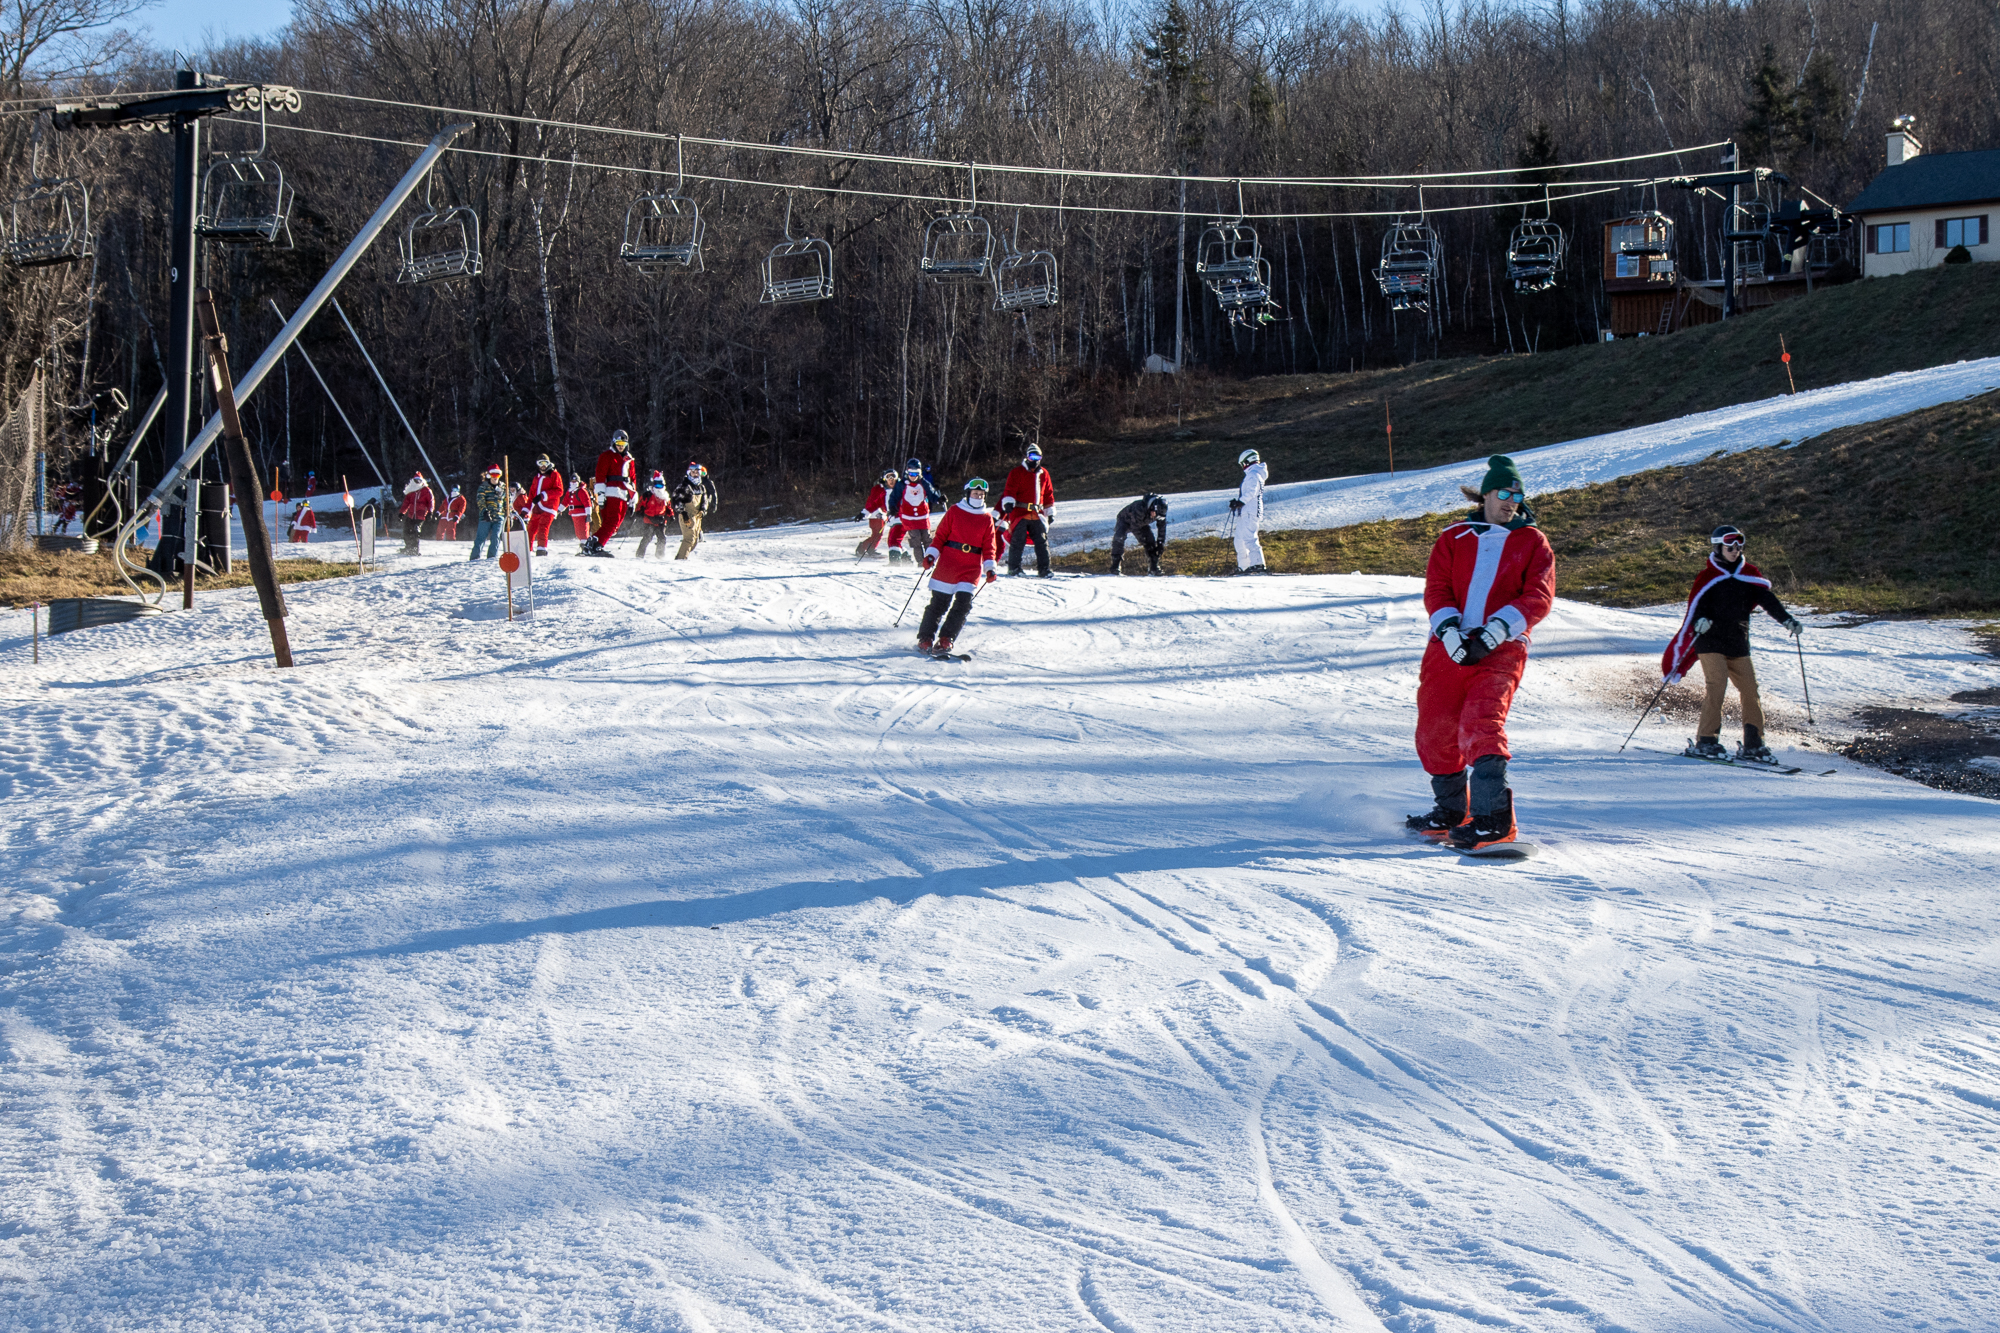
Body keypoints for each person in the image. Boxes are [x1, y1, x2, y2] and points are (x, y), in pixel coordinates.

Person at [1405, 455, 1555, 851]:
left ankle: (1494, 821)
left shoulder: (1533, 542)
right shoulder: (1453, 538)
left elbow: (1539, 597)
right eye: (1505, 493)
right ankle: (1452, 813)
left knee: (1481, 724)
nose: (1512, 502)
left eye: (1518, 496)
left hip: (1501, 651)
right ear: (1486, 494)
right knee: (1435, 730)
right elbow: (1437, 589)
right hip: (1447, 650)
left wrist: (1495, 632)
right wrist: (1450, 631)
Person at [1662, 525, 1804, 763]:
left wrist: (1787, 620)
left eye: (1739, 546)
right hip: (1710, 643)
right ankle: (1706, 741)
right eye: (1730, 547)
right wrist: (1700, 622)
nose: (1735, 551)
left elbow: (1768, 600)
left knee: (1751, 691)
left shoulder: (1748, 574)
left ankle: (1754, 744)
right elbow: (1697, 607)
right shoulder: (1708, 577)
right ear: (1718, 548)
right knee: (1717, 686)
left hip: (1738, 643)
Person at [916, 477, 1000, 658]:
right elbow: (940, 536)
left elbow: (989, 547)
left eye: (981, 494)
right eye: (975, 493)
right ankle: (925, 638)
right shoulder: (955, 511)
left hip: (970, 568)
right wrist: (931, 555)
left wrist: (990, 568)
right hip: (949, 563)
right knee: (939, 603)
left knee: (963, 604)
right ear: (968, 494)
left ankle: (946, 638)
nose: (978, 497)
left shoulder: (986, 518)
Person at [1001, 444, 1057, 577]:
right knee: (1018, 541)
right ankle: (1014, 568)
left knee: (1042, 542)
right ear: (1027, 457)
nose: (1035, 459)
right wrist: (1009, 502)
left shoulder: (1044, 474)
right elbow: (1010, 490)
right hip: (1021, 513)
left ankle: (1044, 569)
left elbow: (1048, 494)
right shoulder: (1016, 472)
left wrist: (1050, 512)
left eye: (1038, 456)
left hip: (1037, 514)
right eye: (1032, 456)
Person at [584, 429, 639, 555]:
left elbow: (633, 479)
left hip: (624, 495)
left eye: (623, 444)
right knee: (612, 522)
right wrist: (601, 496)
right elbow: (600, 476)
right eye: (618, 443)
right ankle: (596, 544)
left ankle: (594, 542)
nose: (620, 446)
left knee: (614, 526)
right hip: (611, 493)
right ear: (614, 443)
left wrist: (632, 500)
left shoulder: (629, 459)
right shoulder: (607, 456)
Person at [886, 458, 944, 565]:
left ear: (920, 473)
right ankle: (921, 562)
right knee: (916, 539)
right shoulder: (902, 484)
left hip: (922, 516)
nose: (913, 476)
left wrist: (938, 499)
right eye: (910, 473)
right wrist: (893, 507)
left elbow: (931, 494)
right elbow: (894, 497)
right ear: (907, 472)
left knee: (927, 538)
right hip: (909, 517)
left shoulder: (924, 483)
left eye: (916, 473)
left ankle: (930, 561)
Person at [1229, 449, 1268, 574]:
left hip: (1250, 511)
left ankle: (1258, 564)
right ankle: (1244, 567)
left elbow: (1251, 491)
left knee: (1249, 538)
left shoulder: (1254, 475)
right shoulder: (1254, 474)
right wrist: (1238, 503)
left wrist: (1240, 502)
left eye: (1243, 464)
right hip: (1245, 511)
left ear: (1247, 461)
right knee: (1239, 540)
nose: (1243, 467)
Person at [670, 461, 719, 559]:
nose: (695, 474)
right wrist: (683, 512)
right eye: (693, 472)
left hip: (697, 516)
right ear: (689, 473)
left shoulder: (701, 487)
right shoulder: (684, 486)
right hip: (687, 515)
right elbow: (676, 499)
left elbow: (704, 500)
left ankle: (681, 556)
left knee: (695, 540)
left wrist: (704, 509)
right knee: (689, 538)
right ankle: (681, 559)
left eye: (697, 472)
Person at [1110, 494, 1169, 575]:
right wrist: (1144, 541)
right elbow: (1135, 528)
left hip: (1142, 523)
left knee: (1151, 541)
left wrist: (1160, 543)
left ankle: (1154, 567)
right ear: (1152, 508)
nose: (1156, 518)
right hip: (1125, 520)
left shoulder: (1159, 513)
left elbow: (1162, 528)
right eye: (1155, 515)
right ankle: (1115, 565)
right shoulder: (1139, 509)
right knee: (1119, 537)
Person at [525, 454, 565, 557]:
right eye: (540, 463)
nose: (543, 466)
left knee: (543, 527)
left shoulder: (554, 475)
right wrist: (526, 510)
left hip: (549, 507)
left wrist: (544, 495)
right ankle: (527, 550)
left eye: (545, 463)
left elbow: (559, 491)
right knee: (531, 528)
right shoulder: (536, 478)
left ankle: (541, 550)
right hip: (537, 508)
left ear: (548, 464)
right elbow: (531, 496)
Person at [855, 468, 897, 559]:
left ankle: (869, 548)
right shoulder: (879, 488)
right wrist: (869, 512)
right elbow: (873, 502)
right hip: (876, 514)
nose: (890, 479)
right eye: (888, 477)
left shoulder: (887, 488)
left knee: (877, 534)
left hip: (880, 514)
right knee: (877, 534)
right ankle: (864, 548)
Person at [470, 465, 506, 560]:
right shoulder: (483, 487)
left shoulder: (503, 487)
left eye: (497, 475)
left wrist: (509, 514)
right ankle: (474, 557)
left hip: (498, 517)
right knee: (481, 538)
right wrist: (484, 511)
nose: (495, 477)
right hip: (486, 517)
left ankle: (491, 557)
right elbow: (480, 500)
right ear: (489, 475)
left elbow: (507, 502)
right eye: (493, 474)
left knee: (496, 538)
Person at [635, 475, 675, 558]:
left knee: (662, 538)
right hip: (649, 520)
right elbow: (640, 505)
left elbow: (668, 507)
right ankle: (639, 554)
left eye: (661, 485)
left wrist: (671, 515)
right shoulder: (648, 495)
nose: (659, 488)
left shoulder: (665, 496)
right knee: (647, 537)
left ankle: (660, 555)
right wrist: (638, 512)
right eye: (657, 485)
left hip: (661, 520)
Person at [398, 470, 435, 553]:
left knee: (415, 530)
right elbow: (406, 503)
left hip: (420, 515)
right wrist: (402, 513)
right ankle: (408, 547)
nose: (418, 482)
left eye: (419, 480)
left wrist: (430, 512)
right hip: (411, 515)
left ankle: (415, 548)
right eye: (416, 481)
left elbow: (431, 501)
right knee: (406, 531)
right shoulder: (411, 491)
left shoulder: (426, 490)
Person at [565, 473, 593, 542]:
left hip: (582, 514)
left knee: (583, 532)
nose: (573, 483)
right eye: (572, 481)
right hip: (574, 514)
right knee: (578, 533)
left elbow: (587, 503)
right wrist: (559, 510)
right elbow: (565, 502)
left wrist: (589, 514)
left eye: (575, 481)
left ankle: (585, 546)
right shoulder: (570, 491)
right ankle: (584, 545)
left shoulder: (582, 491)